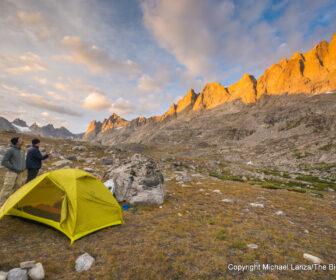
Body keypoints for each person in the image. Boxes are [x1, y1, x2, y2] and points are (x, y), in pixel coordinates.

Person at [0, 137, 26, 207]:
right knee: (7, 188)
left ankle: (12, 205)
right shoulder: (10, 150)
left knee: (17, 188)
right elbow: (4, 162)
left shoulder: (22, 150)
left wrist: (23, 167)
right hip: (12, 172)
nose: (22, 141)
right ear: (16, 142)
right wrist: (14, 167)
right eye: (20, 140)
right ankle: (2, 206)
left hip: (20, 173)